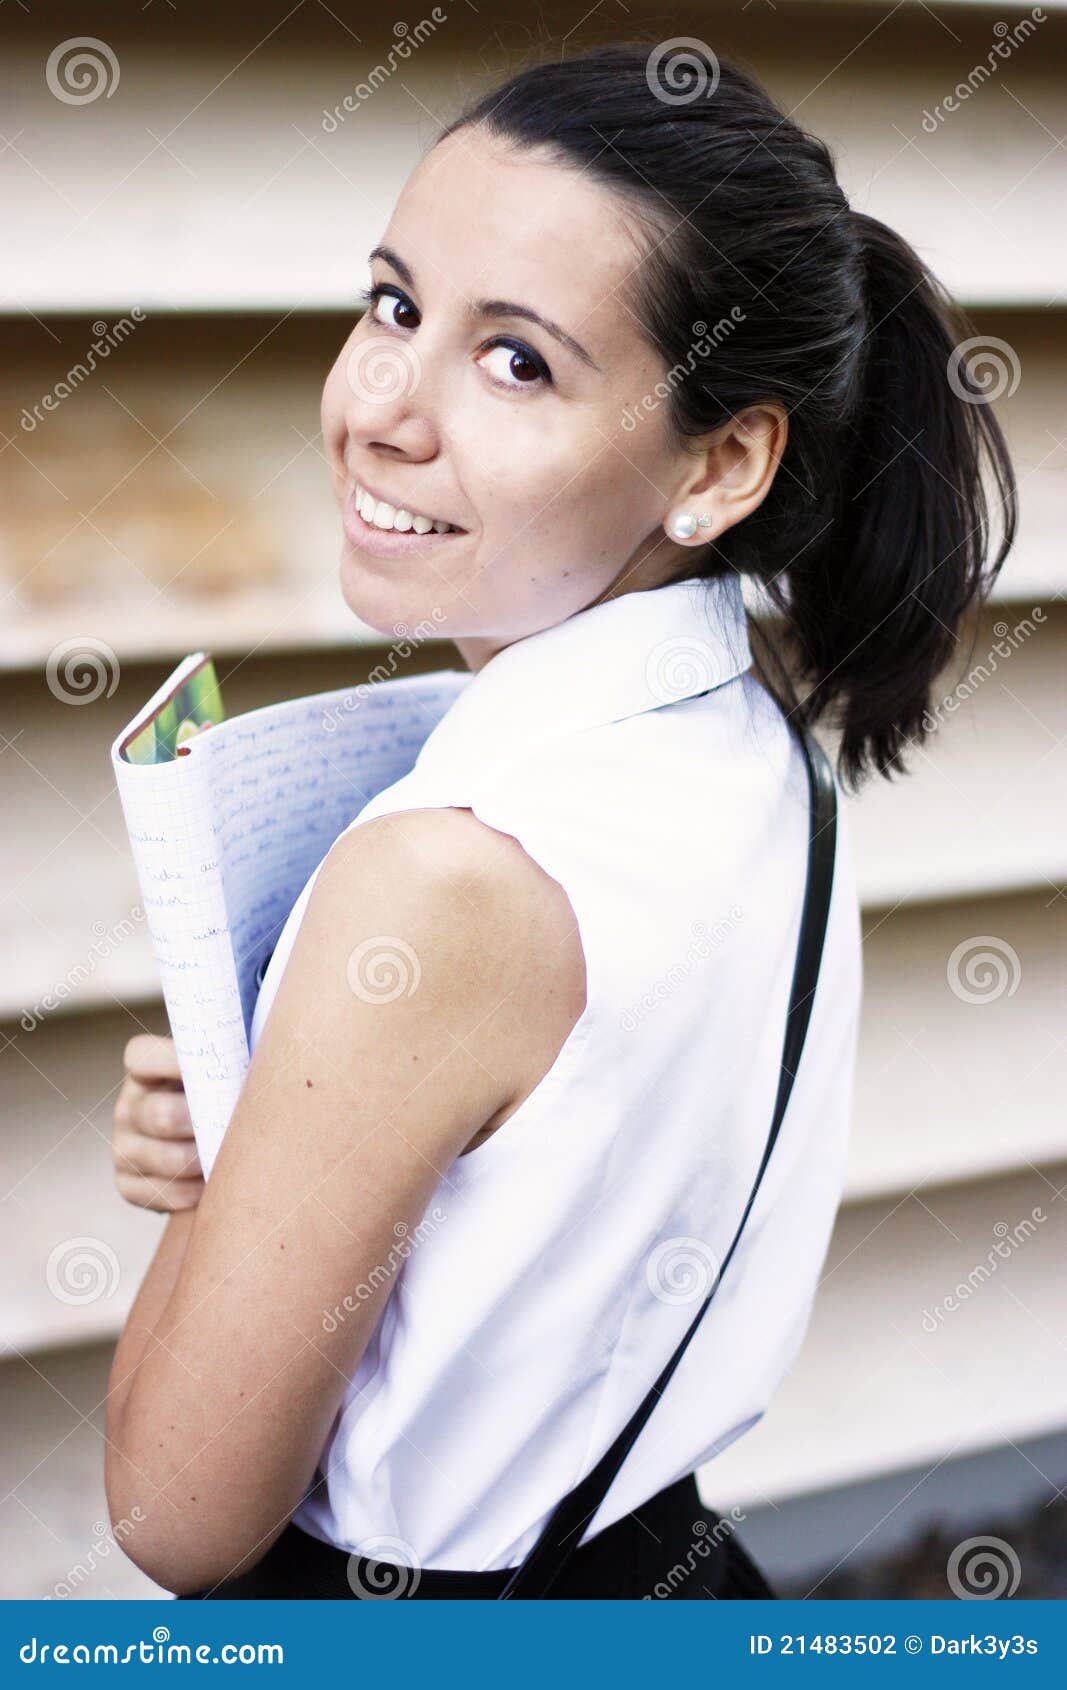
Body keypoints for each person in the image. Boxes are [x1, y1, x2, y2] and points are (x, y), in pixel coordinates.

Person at [104, 43, 1016, 1600]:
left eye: (516, 360)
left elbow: (174, 1512)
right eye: (394, 306)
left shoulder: (442, 880)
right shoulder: (757, 749)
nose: (384, 410)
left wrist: (232, 1186)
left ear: (722, 463)